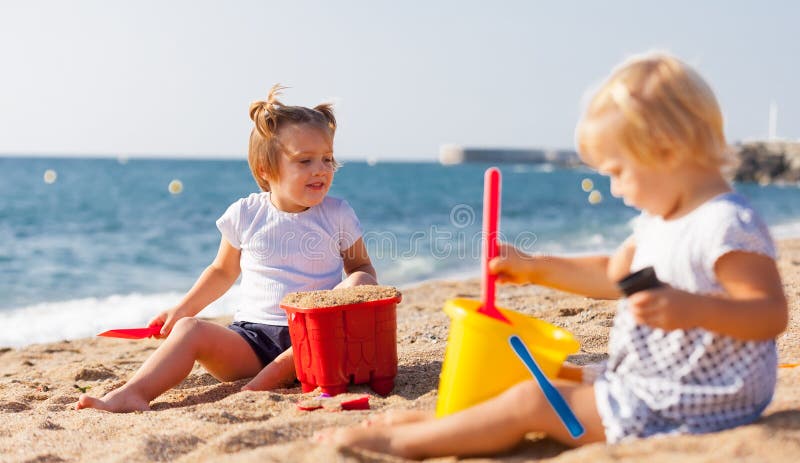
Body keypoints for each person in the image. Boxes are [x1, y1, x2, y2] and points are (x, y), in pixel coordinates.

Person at [318, 52, 789, 459]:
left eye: (619, 170)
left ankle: (410, 446)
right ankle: (435, 427)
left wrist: (695, 309)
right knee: (541, 375)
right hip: (656, 383)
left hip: (697, 402)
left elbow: (769, 314)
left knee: (533, 402)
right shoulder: (661, 221)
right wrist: (535, 267)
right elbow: (612, 273)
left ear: (666, 151)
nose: (616, 187)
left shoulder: (724, 224)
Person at [77, 85, 377, 413]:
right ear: (266, 170)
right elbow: (222, 272)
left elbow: (361, 265)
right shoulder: (246, 214)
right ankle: (133, 392)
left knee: (361, 283)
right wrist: (182, 310)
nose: (320, 169)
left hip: (319, 339)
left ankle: (283, 371)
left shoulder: (337, 214)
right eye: (305, 160)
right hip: (253, 343)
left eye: (327, 159)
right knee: (189, 330)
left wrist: (356, 284)